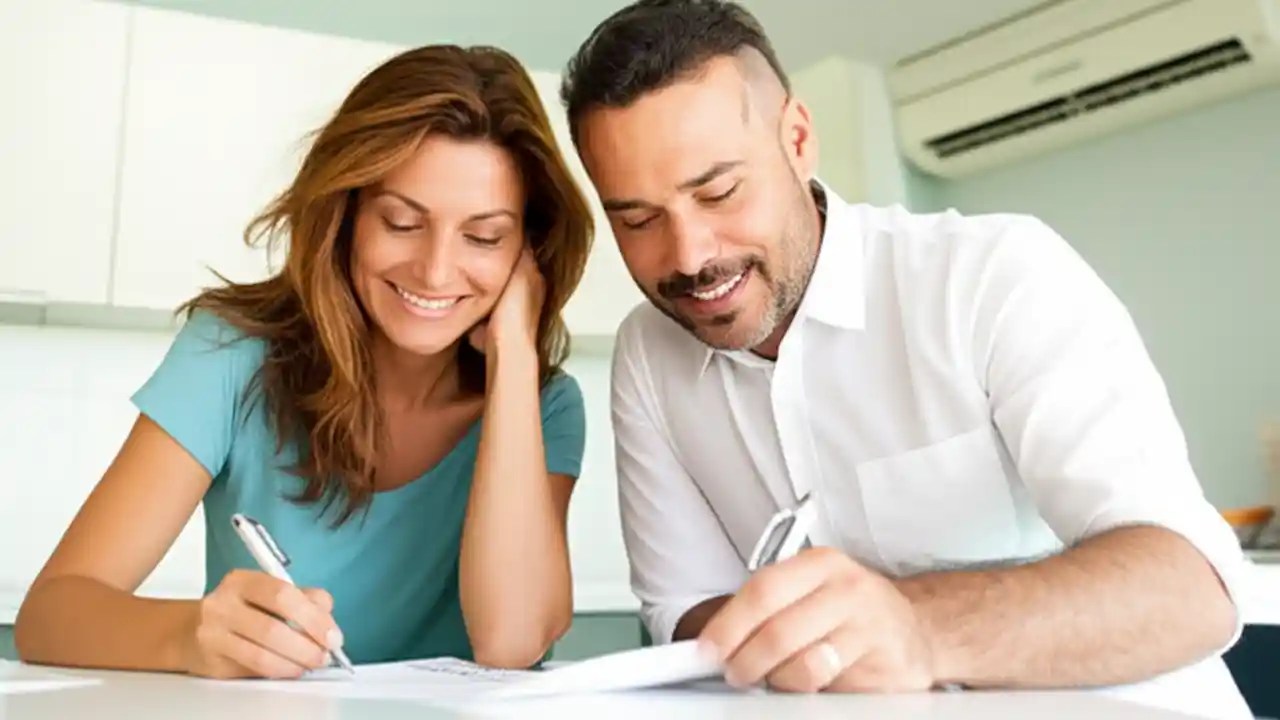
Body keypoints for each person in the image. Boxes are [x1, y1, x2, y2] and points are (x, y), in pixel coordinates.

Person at [558, 0, 1249, 715]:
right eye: (637, 219)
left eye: (720, 191)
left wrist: (914, 624)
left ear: (797, 140)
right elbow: (691, 611)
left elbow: (1192, 585)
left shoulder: (992, 275)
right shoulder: (650, 351)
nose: (690, 255)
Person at [15, 44, 593, 678]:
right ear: (345, 216)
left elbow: (511, 644)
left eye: (483, 238)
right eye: (401, 222)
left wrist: (512, 350)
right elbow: (51, 614)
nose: (434, 270)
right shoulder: (232, 356)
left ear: (527, 252)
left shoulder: (543, 406)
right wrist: (191, 635)